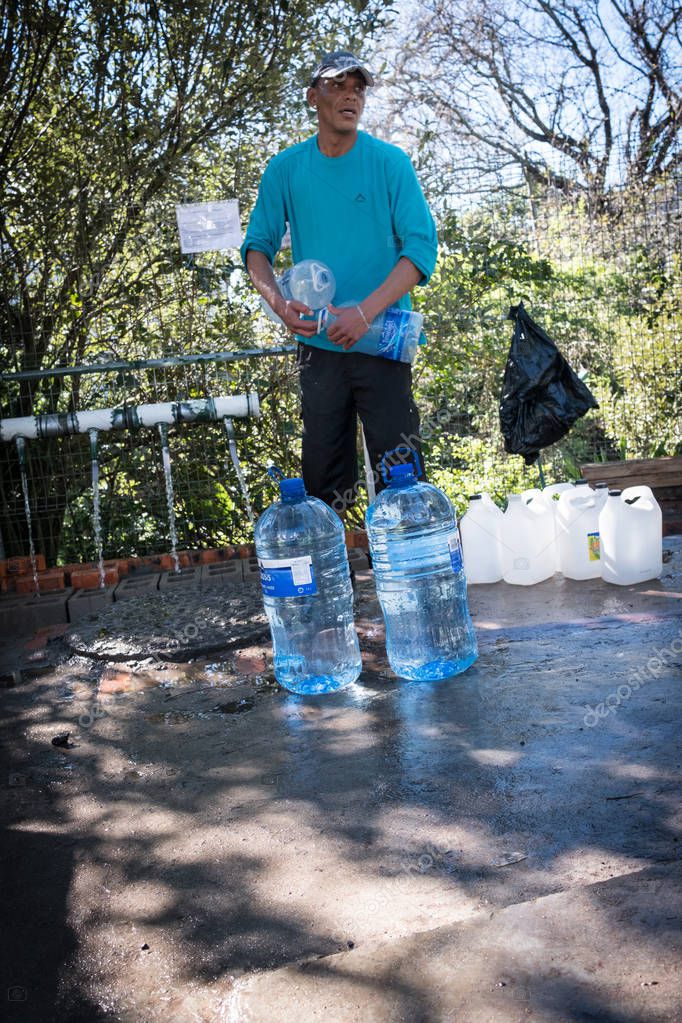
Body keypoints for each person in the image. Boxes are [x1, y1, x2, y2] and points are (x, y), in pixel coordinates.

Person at [241, 50, 437, 512]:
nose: (351, 95)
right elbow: (256, 249)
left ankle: (408, 571)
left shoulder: (390, 163)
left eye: (358, 87)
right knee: (324, 481)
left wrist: (365, 312)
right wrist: (280, 305)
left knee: (400, 471)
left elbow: (420, 251)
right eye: (337, 85)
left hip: (383, 343)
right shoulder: (285, 169)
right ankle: (334, 578)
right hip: (320, 349)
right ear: (314, 97)